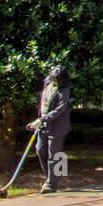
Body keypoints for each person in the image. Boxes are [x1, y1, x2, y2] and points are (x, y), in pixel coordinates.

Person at [27, 66, 71, 194]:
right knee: (40, 150)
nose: (56, 82)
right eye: (55, 80)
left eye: (58, 81)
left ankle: (52, 184)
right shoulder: (47, 82)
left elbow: (60, 109)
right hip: (44, 124)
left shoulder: (65, 90)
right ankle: (51, 178)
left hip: (58, 126)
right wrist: (40, 120)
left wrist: (42, 119)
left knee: (55, 154)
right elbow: (44, 102)